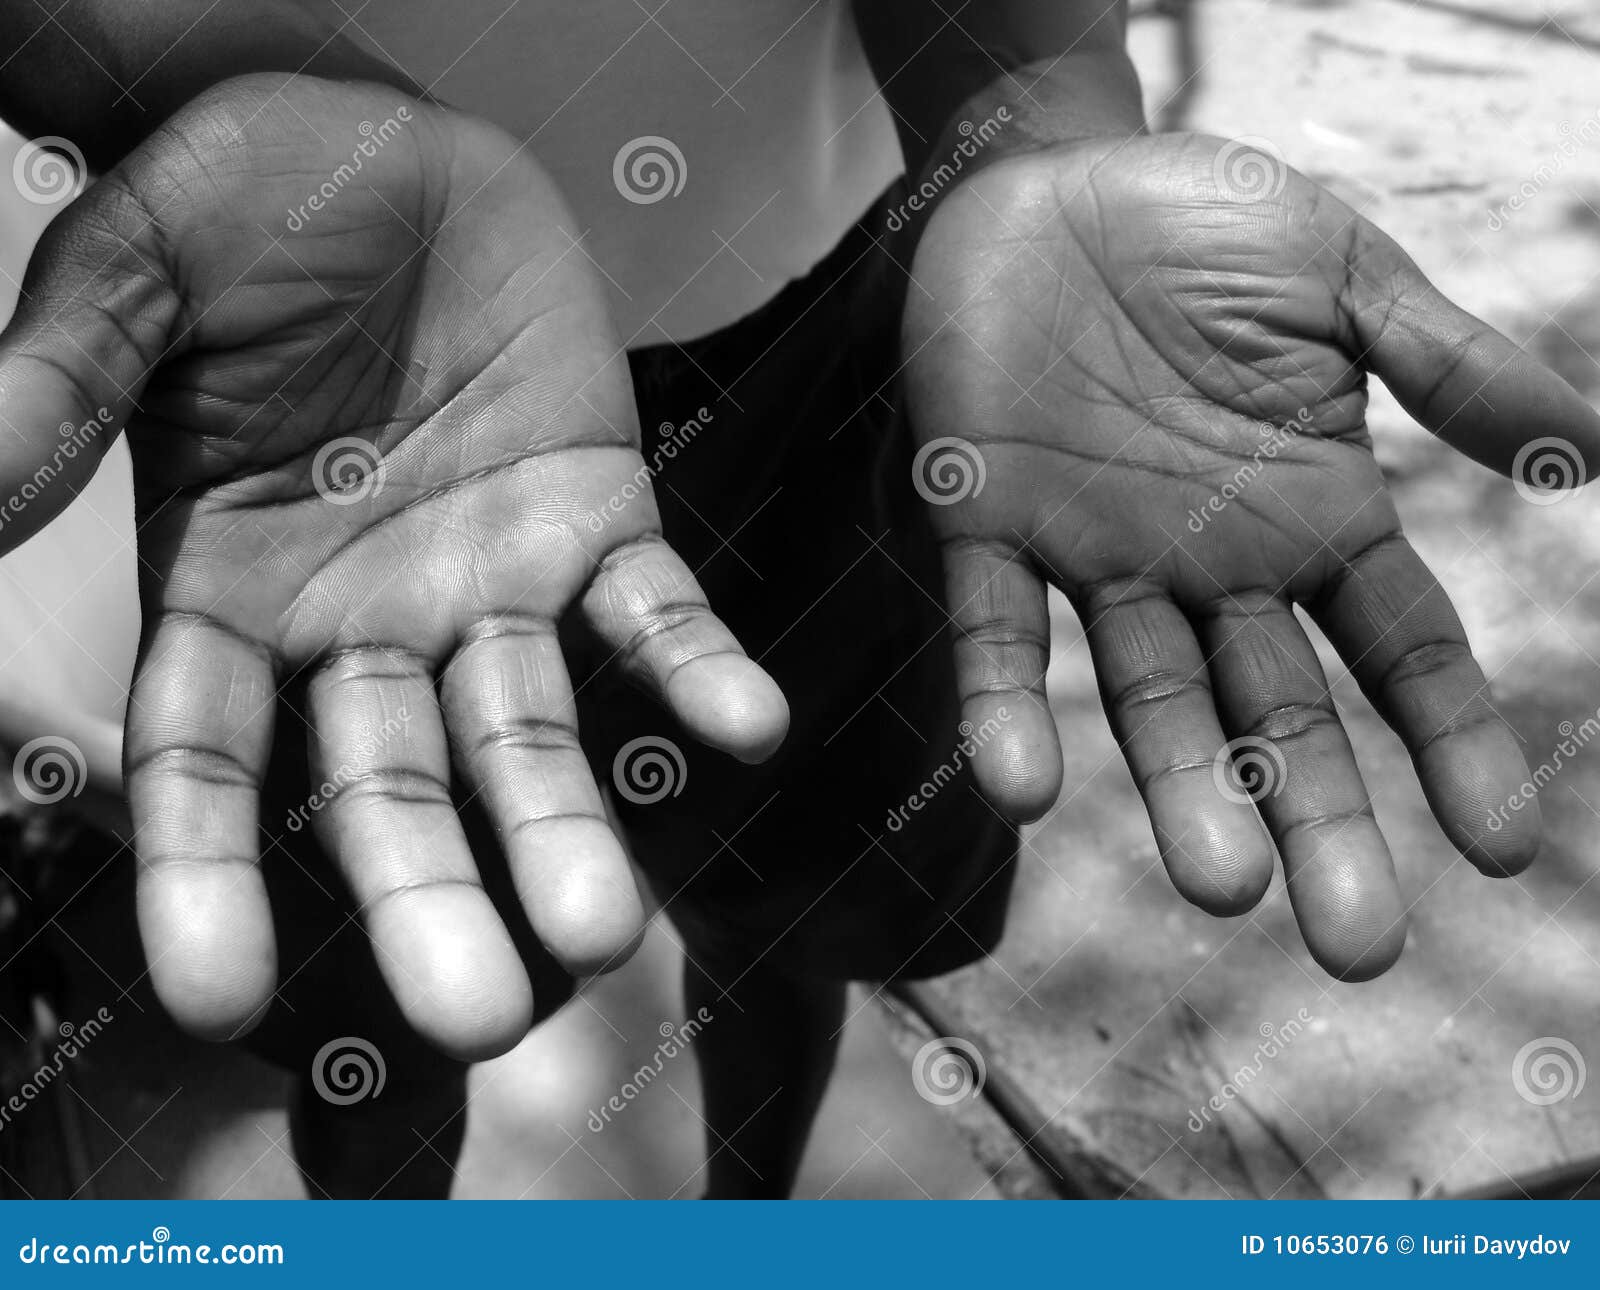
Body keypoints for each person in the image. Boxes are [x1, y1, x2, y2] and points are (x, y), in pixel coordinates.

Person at [0, 0, 1593, 1198]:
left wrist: (1029, 109)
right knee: (373, 986)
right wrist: (203, 83)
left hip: (851, 320)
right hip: (314, 392)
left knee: (806, 889)